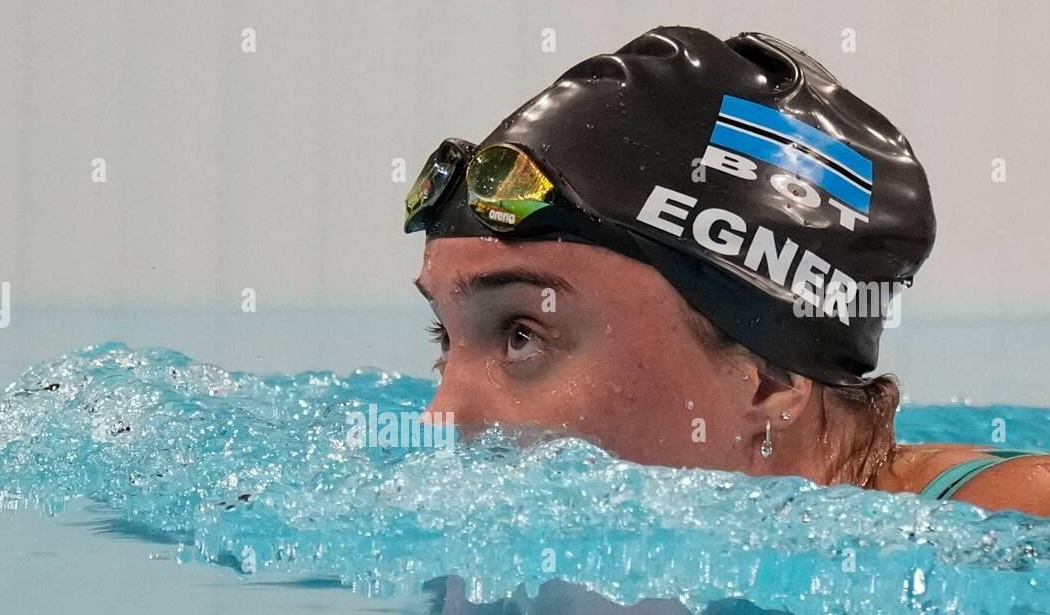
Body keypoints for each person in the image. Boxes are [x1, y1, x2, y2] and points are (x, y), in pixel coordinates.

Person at [405, 26, 1050, 515]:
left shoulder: (1017, 516)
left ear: (769, 382)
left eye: (523, 334)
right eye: (446, 340)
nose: (440, 419)